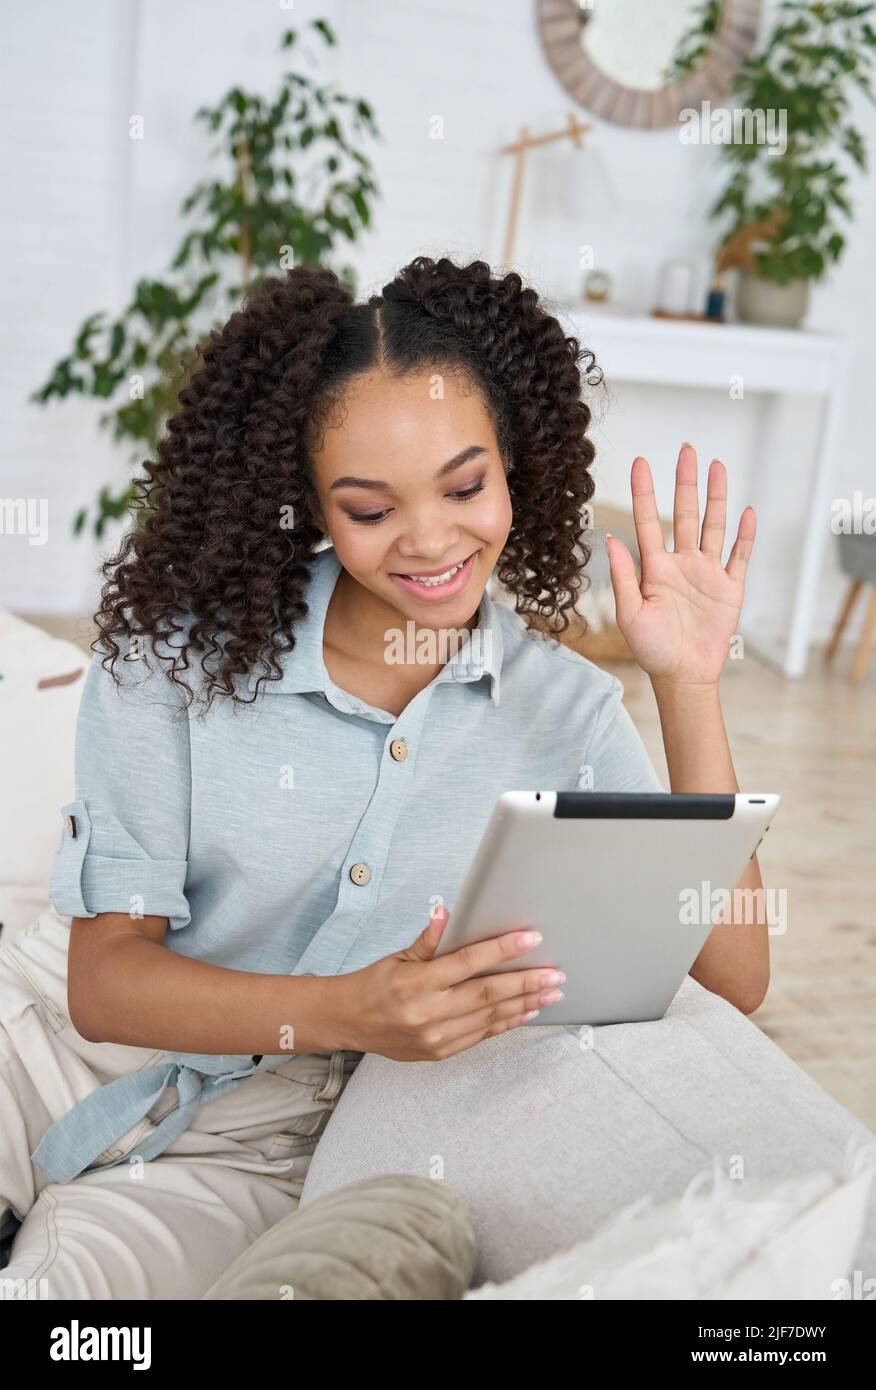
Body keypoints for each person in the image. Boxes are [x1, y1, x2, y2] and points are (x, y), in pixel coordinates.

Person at [0, 256, 762, 1299]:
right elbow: (102, 982)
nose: (433, 539)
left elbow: (735, 975)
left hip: (245, 1157)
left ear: (514, 465)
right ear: (308, 502)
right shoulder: (174, 659)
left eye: (465, 485)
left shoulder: (565, 711)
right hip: (36, 1052)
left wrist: (689, 687)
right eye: (369, 509)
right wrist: (351, 1008)